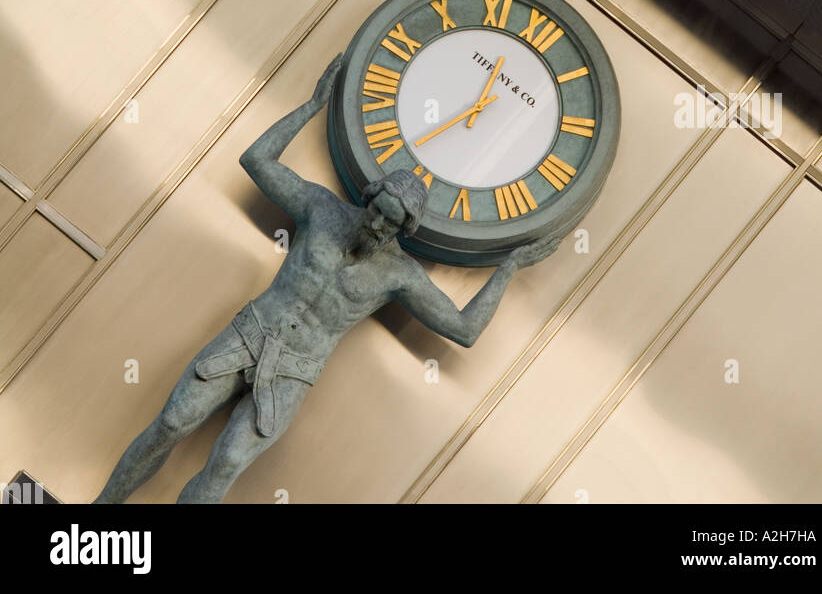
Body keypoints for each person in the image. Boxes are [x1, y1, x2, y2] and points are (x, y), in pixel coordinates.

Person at [93, 54, 560, 504]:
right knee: (172, 423)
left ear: (403, 229)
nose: (378, 225)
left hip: (295, 369)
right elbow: (257, 161)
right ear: (369, 199)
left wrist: (508, 268)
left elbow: (465, 329)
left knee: (226, 466)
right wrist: (314, 105)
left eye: (390, 223)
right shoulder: (322, 211)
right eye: (377, 211)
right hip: (250, 332)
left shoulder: (399, 274)